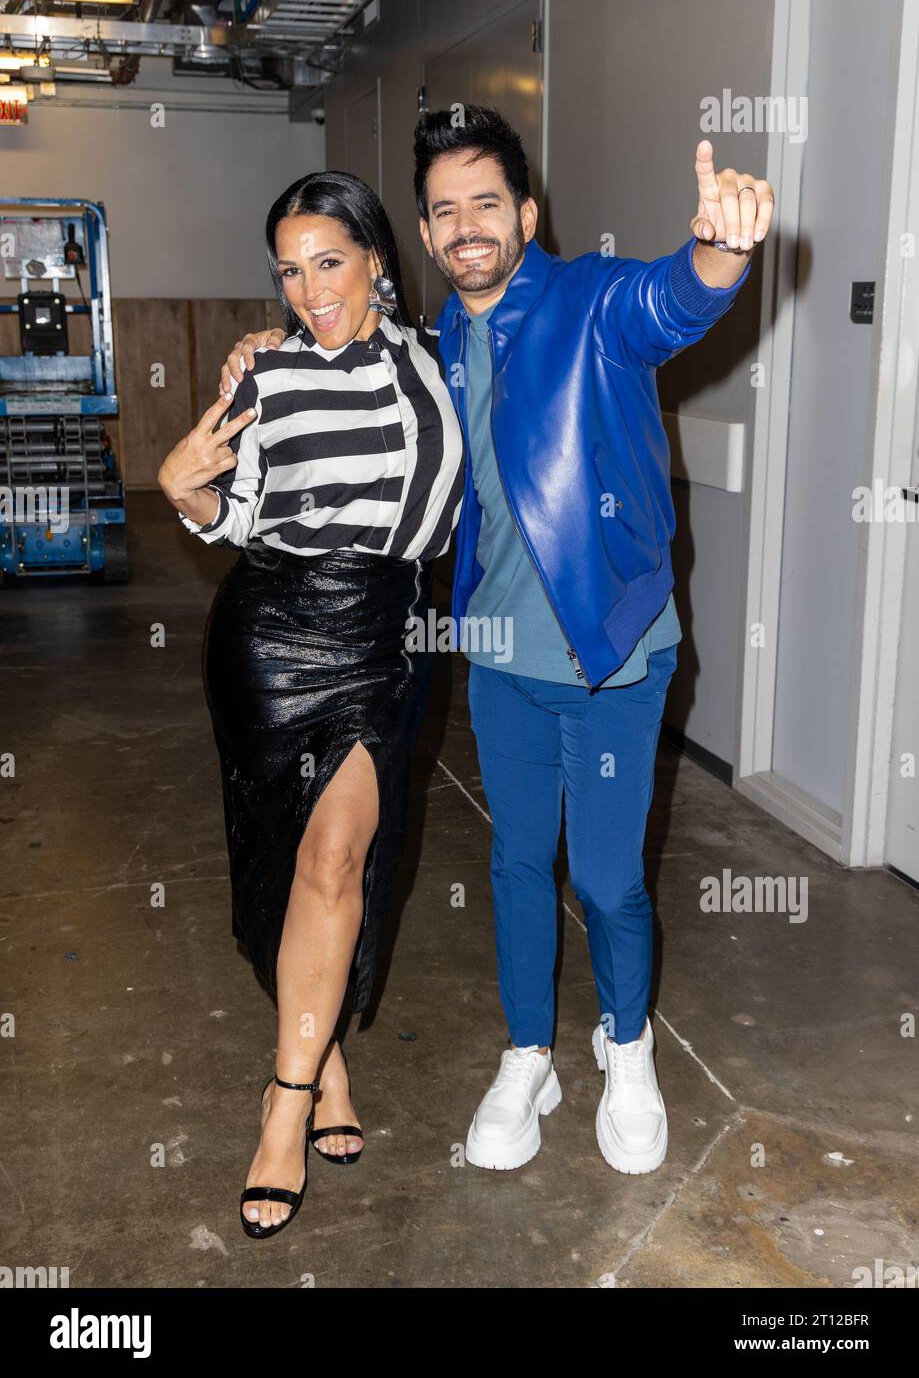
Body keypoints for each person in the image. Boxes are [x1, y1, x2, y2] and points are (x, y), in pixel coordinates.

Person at [220, 106, 773, 1177]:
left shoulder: (589, 302)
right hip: (496, 659)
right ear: (422, 236)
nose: (466, 225)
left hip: (610, 652)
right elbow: (340, 355)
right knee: (517, 863)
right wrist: (268, 340)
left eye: (487, 202)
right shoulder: (433, 349)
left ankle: (626, 1048)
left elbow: (670, 301)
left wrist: (722, 247)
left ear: (526, 212)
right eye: (444, 210)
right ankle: (528, 1054)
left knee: (608, 879)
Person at [157, 171, 464, 1237]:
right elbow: (226, 513)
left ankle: (279, 1112)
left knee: (338, 860)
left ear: (379, 256)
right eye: (288, 270)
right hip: (267, 634)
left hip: (383, 635)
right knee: (280, 864)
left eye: (327, 261)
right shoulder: (268, 376)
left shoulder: (446, 361)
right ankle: (322, 1059)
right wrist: (178, 483)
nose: (307, 290)